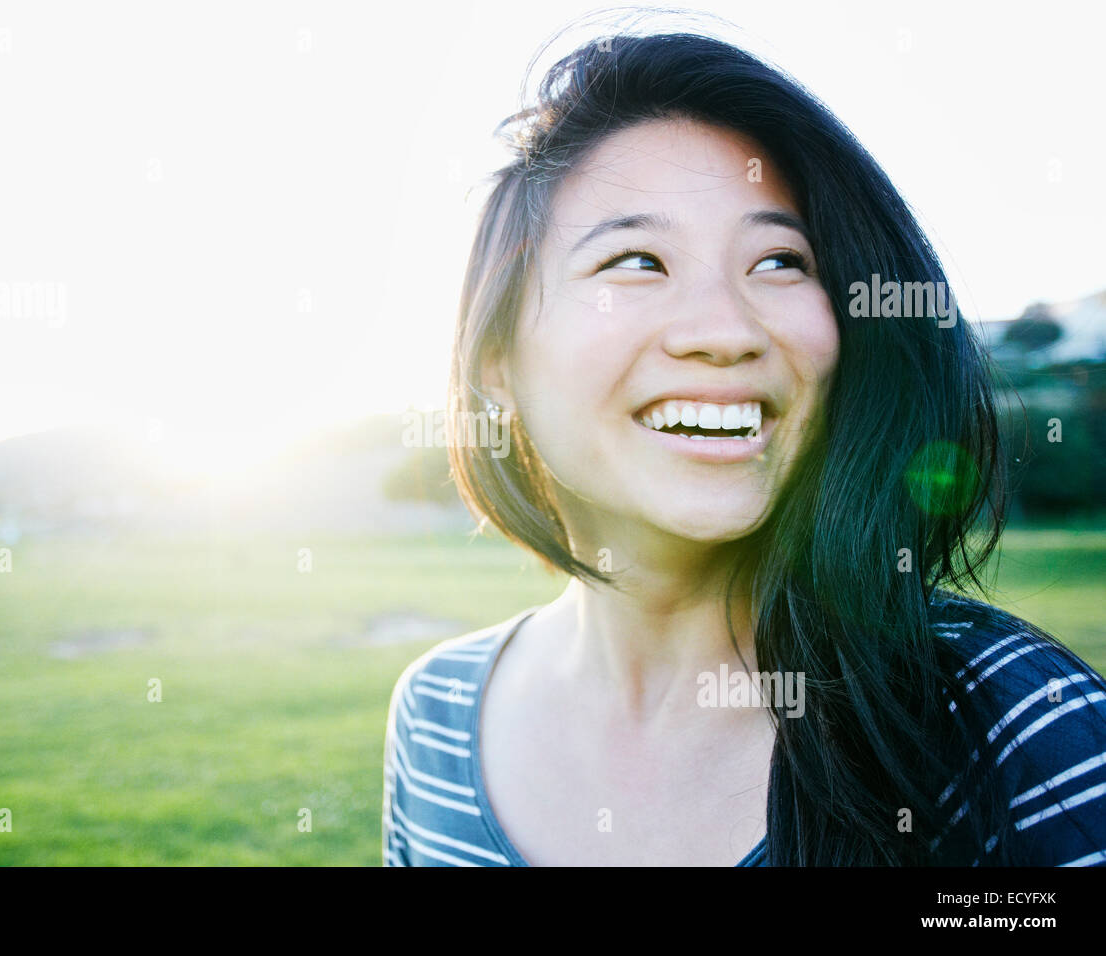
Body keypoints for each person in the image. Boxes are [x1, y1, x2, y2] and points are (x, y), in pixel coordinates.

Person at [382, 28, 1106, 866]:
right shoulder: (435, 712)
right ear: (497, 362)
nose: (727, 332)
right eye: (637, 260)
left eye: (779, 261)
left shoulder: (1017, 727)